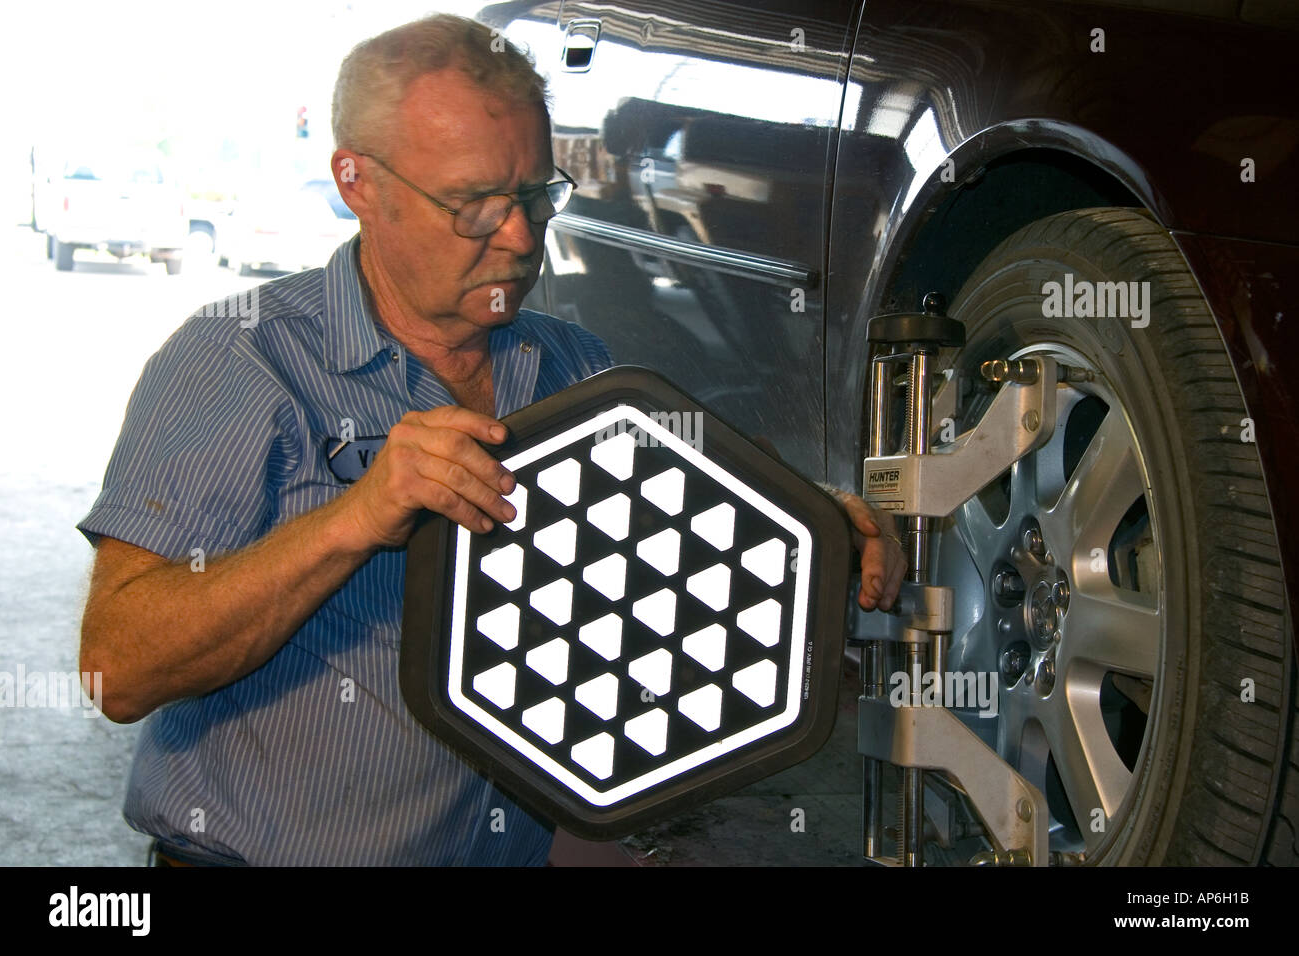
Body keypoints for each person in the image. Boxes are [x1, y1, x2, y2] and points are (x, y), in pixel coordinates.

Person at [77, 14, 905, 866]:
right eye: (472, 206)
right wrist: (355, 518)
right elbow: (118, 669)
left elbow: (649, 613)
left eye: (537, 196)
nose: (518, 238)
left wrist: (806, 543)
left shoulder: (574, 374)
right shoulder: (243, 359)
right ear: (358, 182)